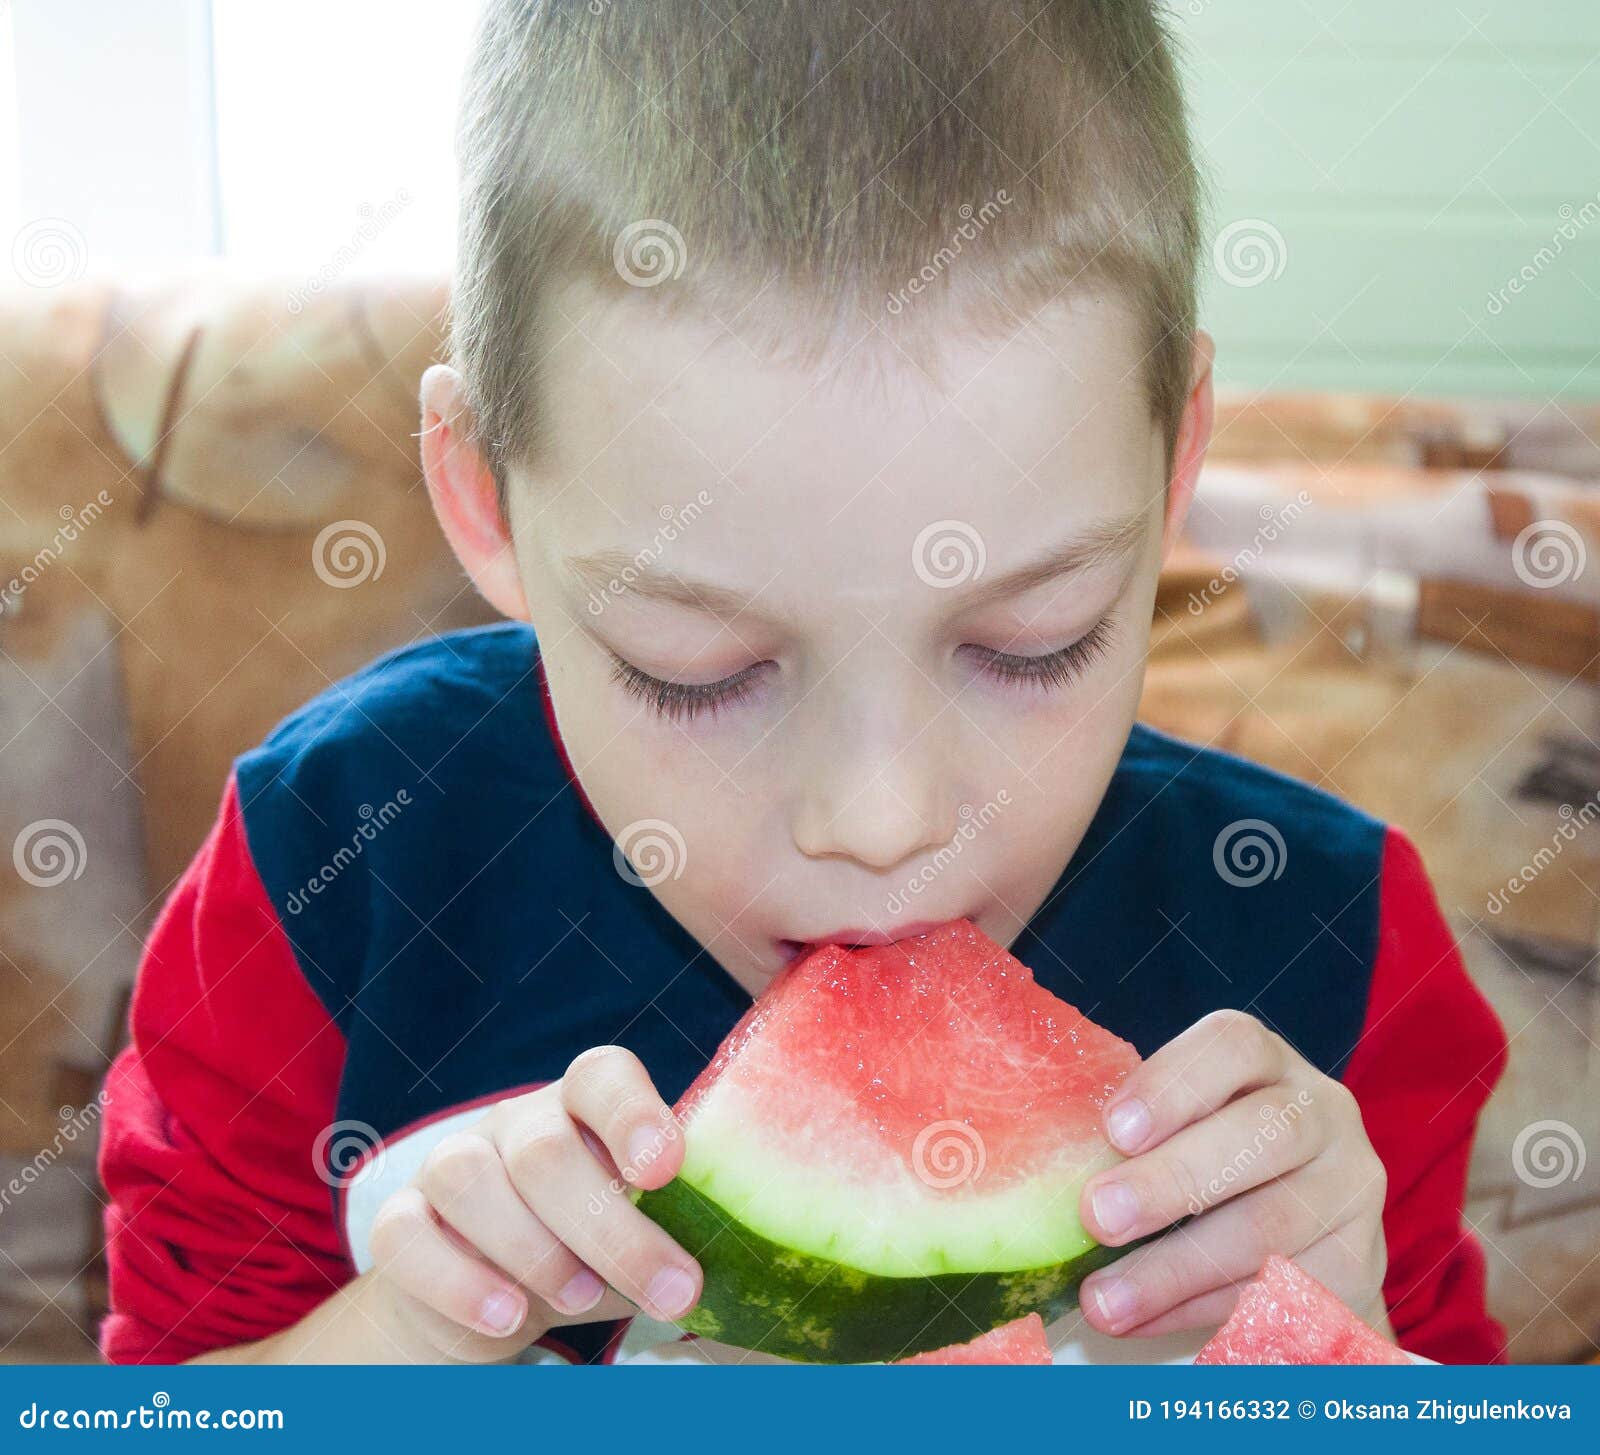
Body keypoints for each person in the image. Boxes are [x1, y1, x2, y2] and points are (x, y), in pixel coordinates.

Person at [99, 0, 1506, 1365]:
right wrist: (408, 1344)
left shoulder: (1341, 958)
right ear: (483, 496)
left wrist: (1338, 1362)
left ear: (1173, 465)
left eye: (1034, 641)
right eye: (698, 671)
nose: (880, 820)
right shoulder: (329, 873)